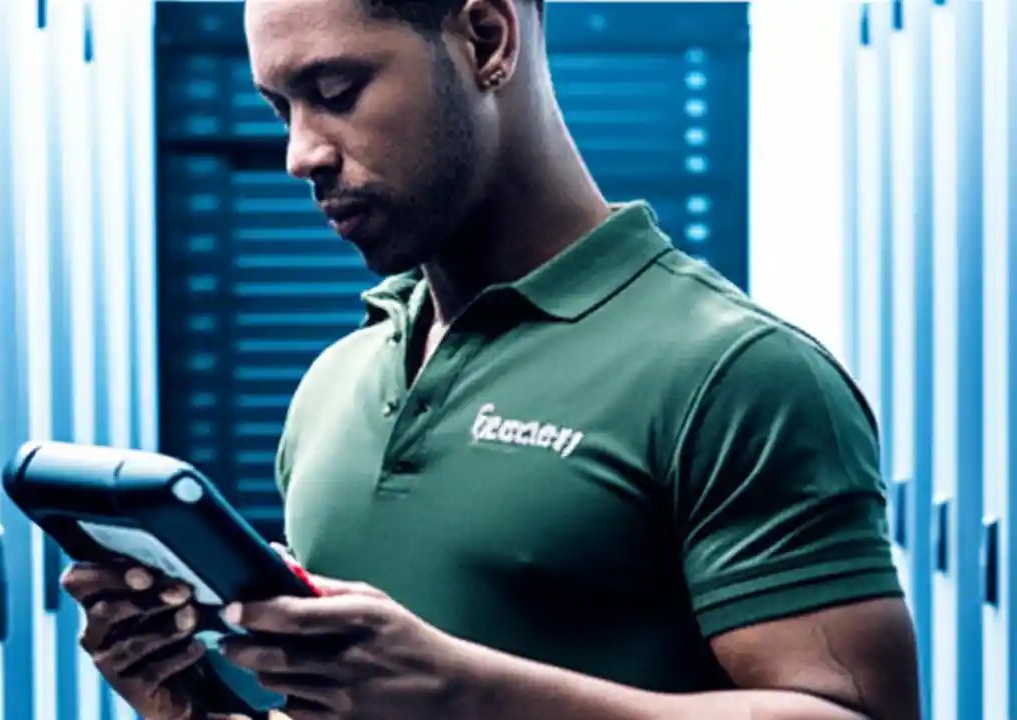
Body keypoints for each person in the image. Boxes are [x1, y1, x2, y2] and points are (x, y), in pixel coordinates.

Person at [61, 0, 922, 717]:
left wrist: (463, 689)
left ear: (486, 38)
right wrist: (194, 704)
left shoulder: (740, 373)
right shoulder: (337, 384)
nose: (301, 155)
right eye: (280, 109)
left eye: (335, 90)